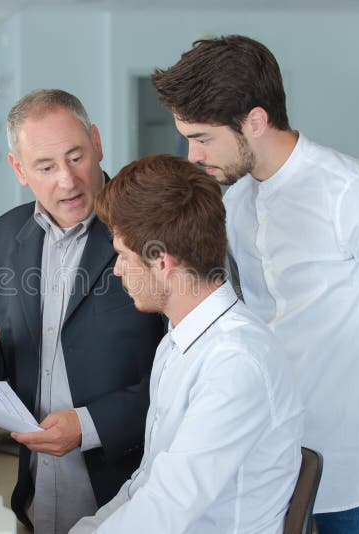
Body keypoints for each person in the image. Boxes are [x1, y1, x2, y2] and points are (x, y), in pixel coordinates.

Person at [152, 35, 359, 533]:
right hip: (278, 464)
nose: (192, 155)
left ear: (255, 120)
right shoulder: (235, 203)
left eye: (202, 137)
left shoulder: (356, 194)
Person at [0, 89, 165, 534]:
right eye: (45, 167)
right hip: (35, 499)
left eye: (77, 156)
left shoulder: (151, 224)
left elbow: (185, 371)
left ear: (97, 143)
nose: (67, 180)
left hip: (133, 500)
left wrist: (88, 426)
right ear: (19, 170)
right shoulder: (4, 235)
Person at [70, 154, 303, 534]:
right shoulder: (180, 341)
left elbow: (165, 510)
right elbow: (145, 485)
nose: (116, 269)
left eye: (123, 256)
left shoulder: (236, 362)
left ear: (161, 261)